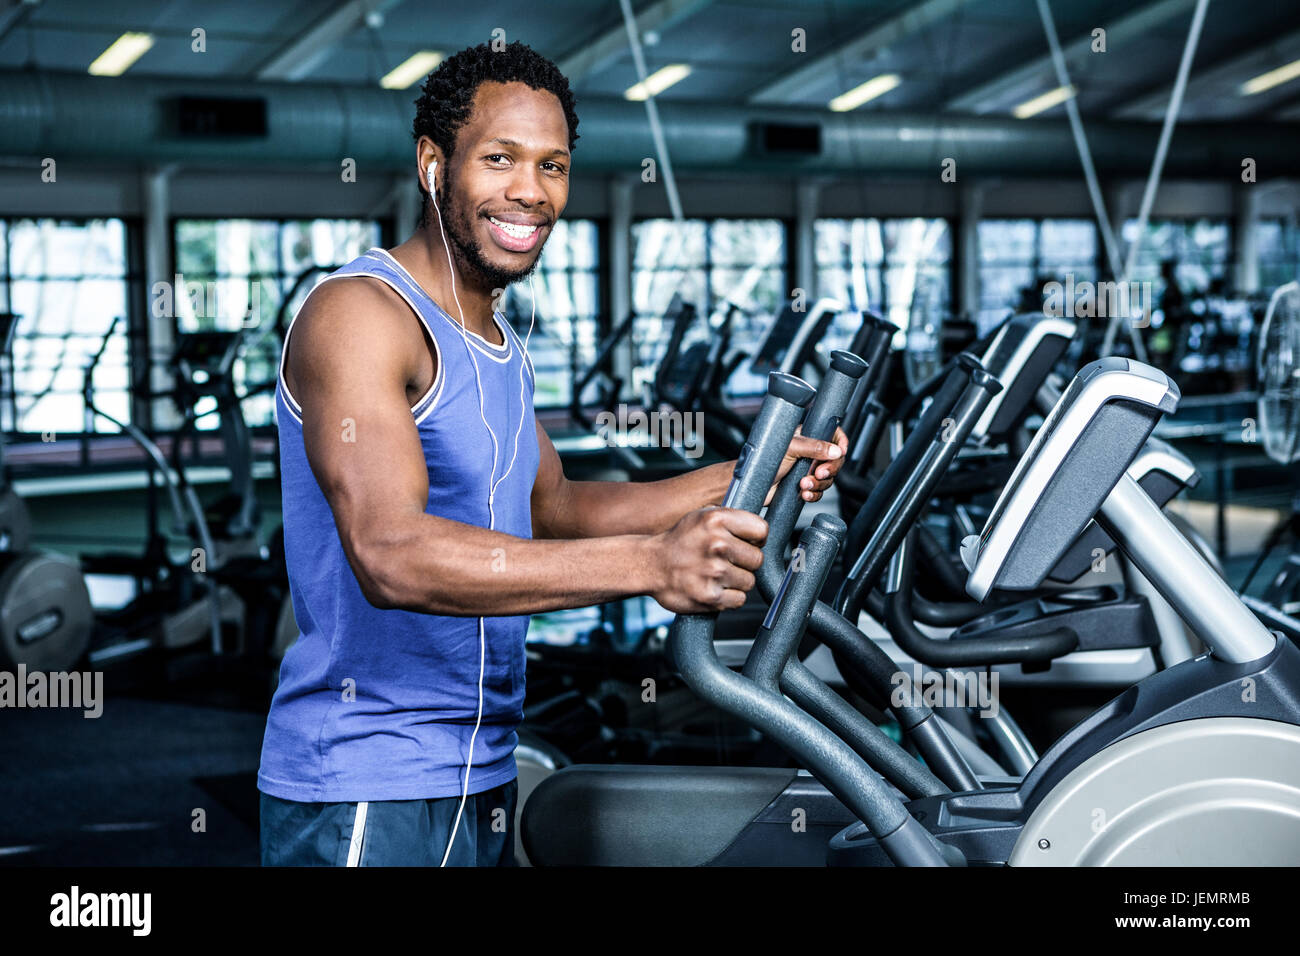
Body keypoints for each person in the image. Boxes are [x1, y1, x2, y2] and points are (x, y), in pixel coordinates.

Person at [257, 41, 848, 867]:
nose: (530, 192)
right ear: (433, 165)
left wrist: (748, 473)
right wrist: (652, 564)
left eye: (553, 166)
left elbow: (556, 508)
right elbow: (390, 553)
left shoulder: (498, 339)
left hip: (483, 765)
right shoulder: (360, 314)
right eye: (500, 160)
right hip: (368, 775)